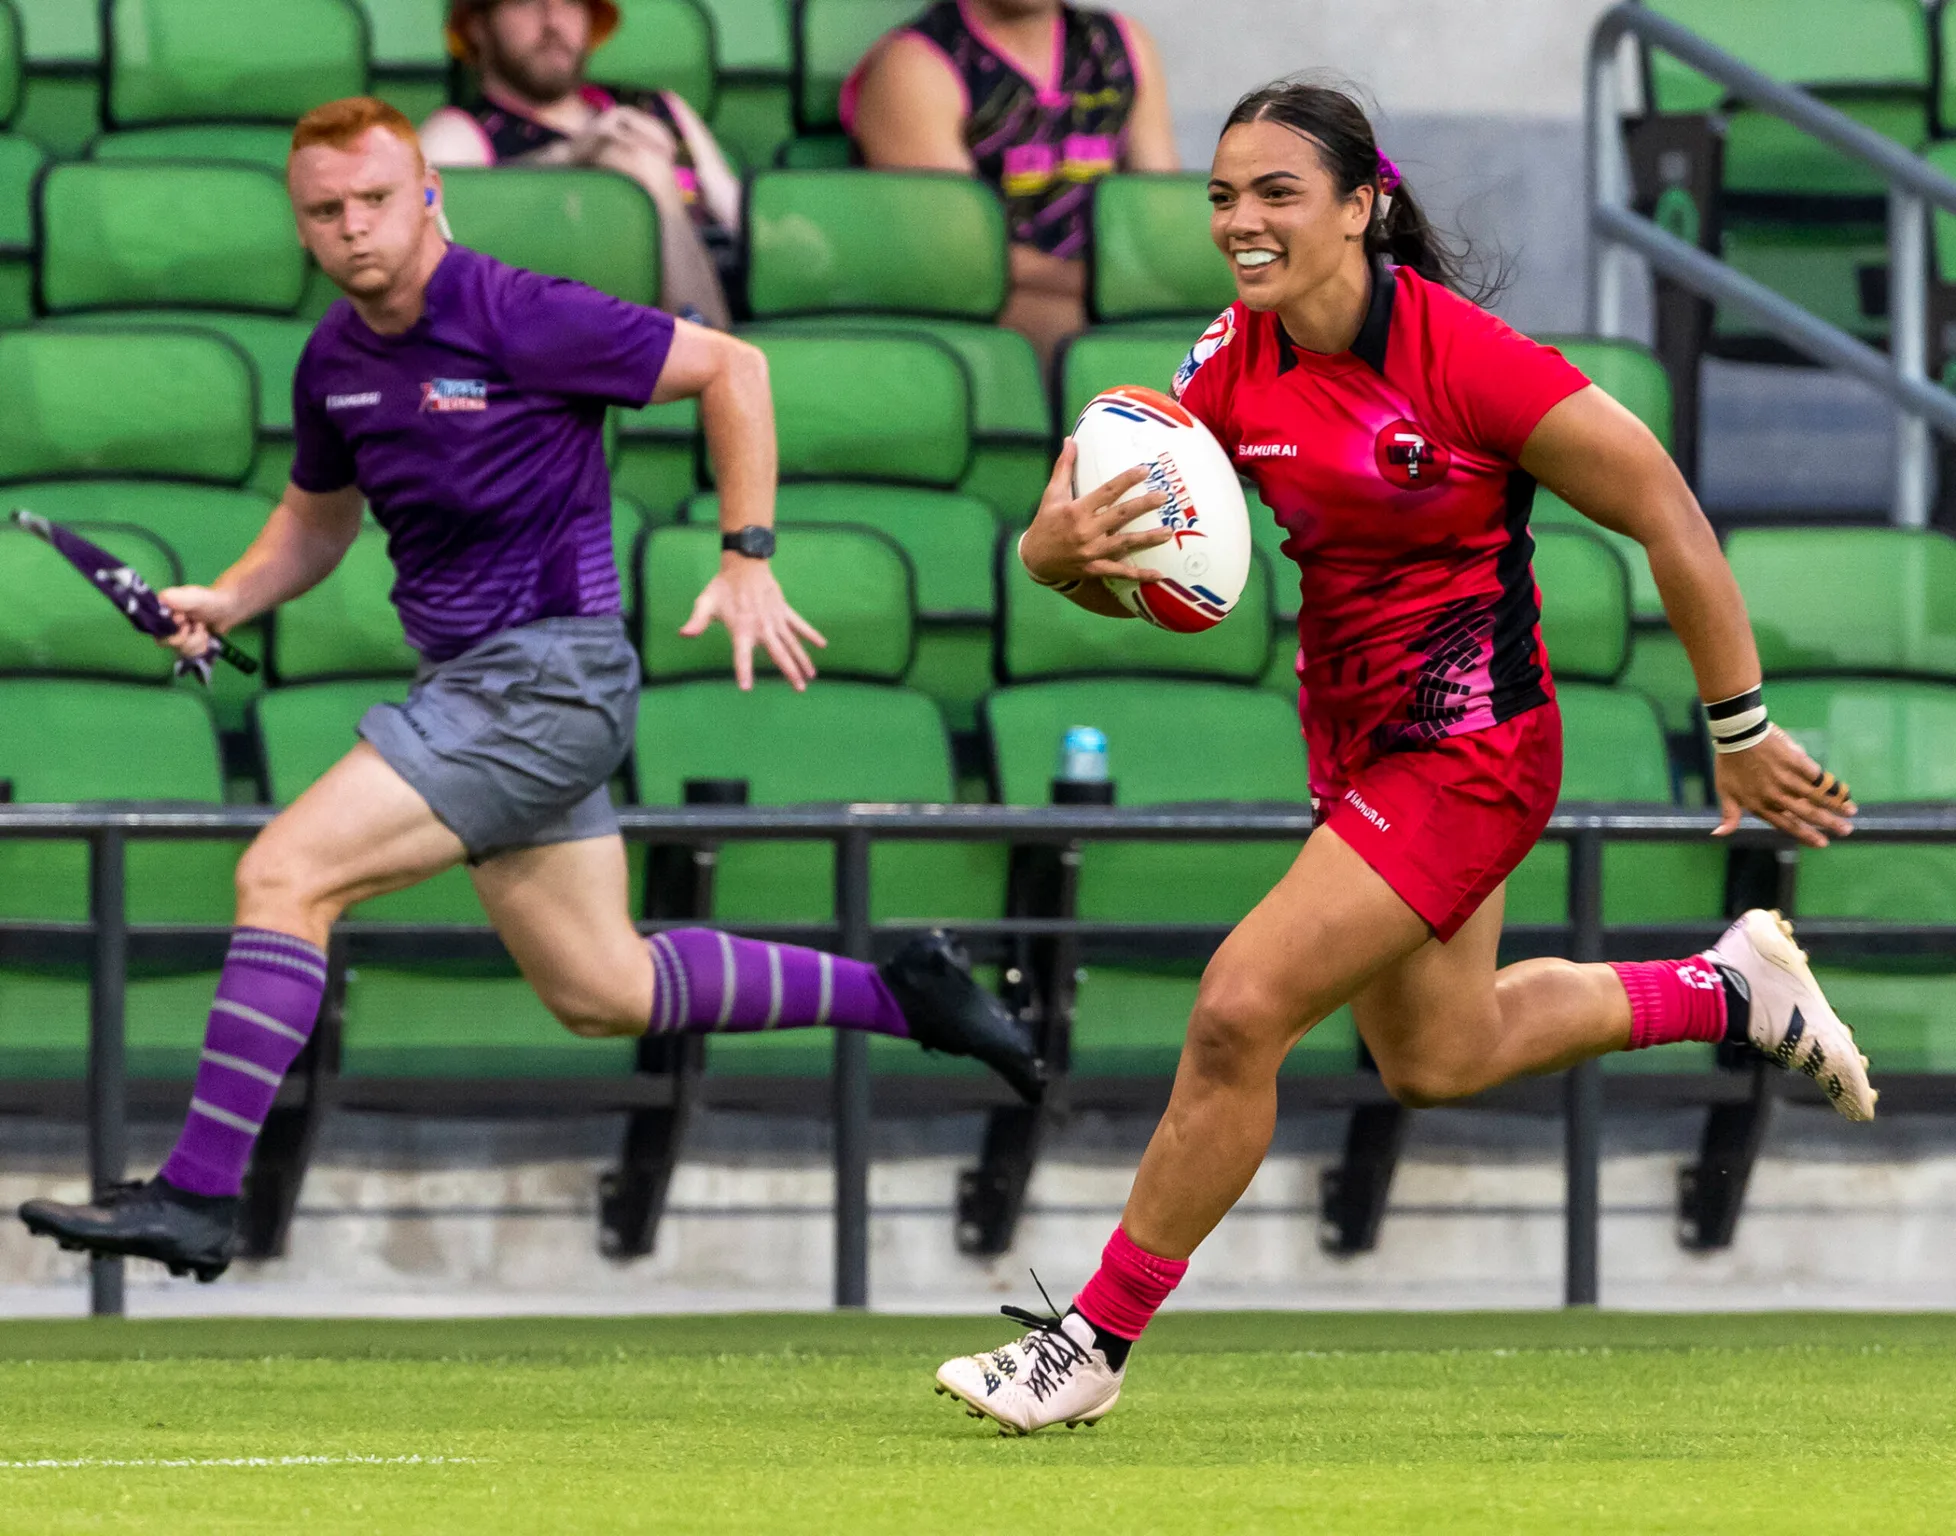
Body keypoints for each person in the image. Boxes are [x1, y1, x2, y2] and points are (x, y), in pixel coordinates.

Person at [932, 80, 1873, 1436]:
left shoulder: (1466, 359)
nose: (1240, 223)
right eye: (1221, 196)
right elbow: (1088, 546)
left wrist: (1739, 731)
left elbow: (1665, 509)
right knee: (1442, 1053)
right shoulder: (1229, 359)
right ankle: (1731, 991)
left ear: (1363, 207)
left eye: (1276, 195)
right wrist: (1049, 552)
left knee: (1239, 1009)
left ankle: (1088, 1343)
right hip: (1357, 740)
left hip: (1474, 749)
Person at [17, 97, 1040, 1284]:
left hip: (547, 679)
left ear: (429, 196)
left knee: (282, 875)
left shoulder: (517, 314)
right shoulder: (334, 364)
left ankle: (197, 1196)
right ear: (300, 228)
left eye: (376, 201)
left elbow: (732, 366)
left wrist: (744, 555)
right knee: (605, 988)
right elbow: (318, 515)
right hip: (477, 687)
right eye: (326, 211)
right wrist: (234, 599)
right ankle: (902, 992)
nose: (354, 228)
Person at [844, 0, 1179, 365]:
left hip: (1110, 292)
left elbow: (1161, 222)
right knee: (1082, 340)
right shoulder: (914, 66)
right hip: (999, 307)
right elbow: (965, 261)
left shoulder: (1122, 45)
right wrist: (1119, 287)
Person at [421, 0, 740, 328]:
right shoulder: (460, 134)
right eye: (525, 3)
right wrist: (571, 160)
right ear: (477, 26)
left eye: (572, 2)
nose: (553, 19)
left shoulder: (660, 109)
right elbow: (420, 245)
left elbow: (742, 219)